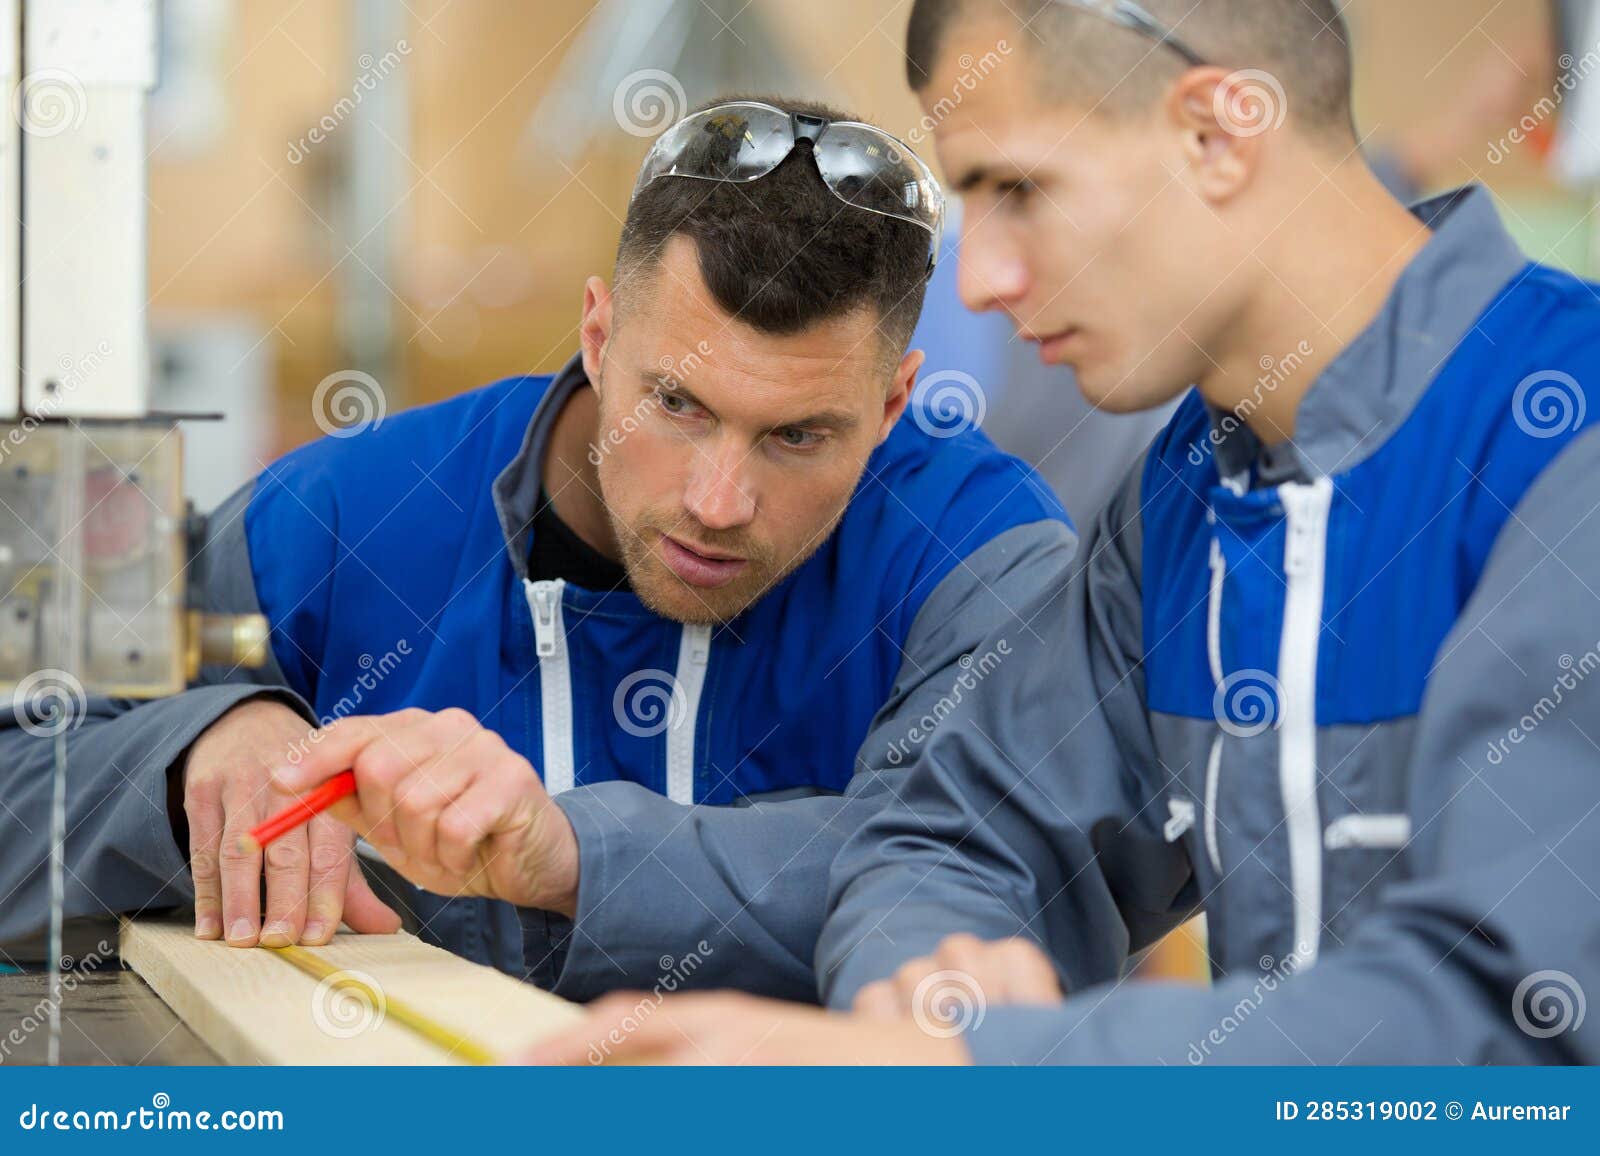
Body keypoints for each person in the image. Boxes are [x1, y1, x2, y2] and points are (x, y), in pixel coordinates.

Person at [523, 0, 1600, 1063]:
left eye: (1015, 189)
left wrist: (973, 1068)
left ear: (1215, 133)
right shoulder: (1183, 500)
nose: (980, 280)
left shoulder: (1568, 434)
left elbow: (1514, 1024)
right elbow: (954, 832)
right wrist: (937, 979)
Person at [0, 97, 1073, 1003]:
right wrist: (196, 745)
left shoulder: (982, 552)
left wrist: (572, 859)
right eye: (677, 403)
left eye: (797, 434)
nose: (717, 501)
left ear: (892, 403)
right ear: (599, 337)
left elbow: (1018, 887)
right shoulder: (343, 510)